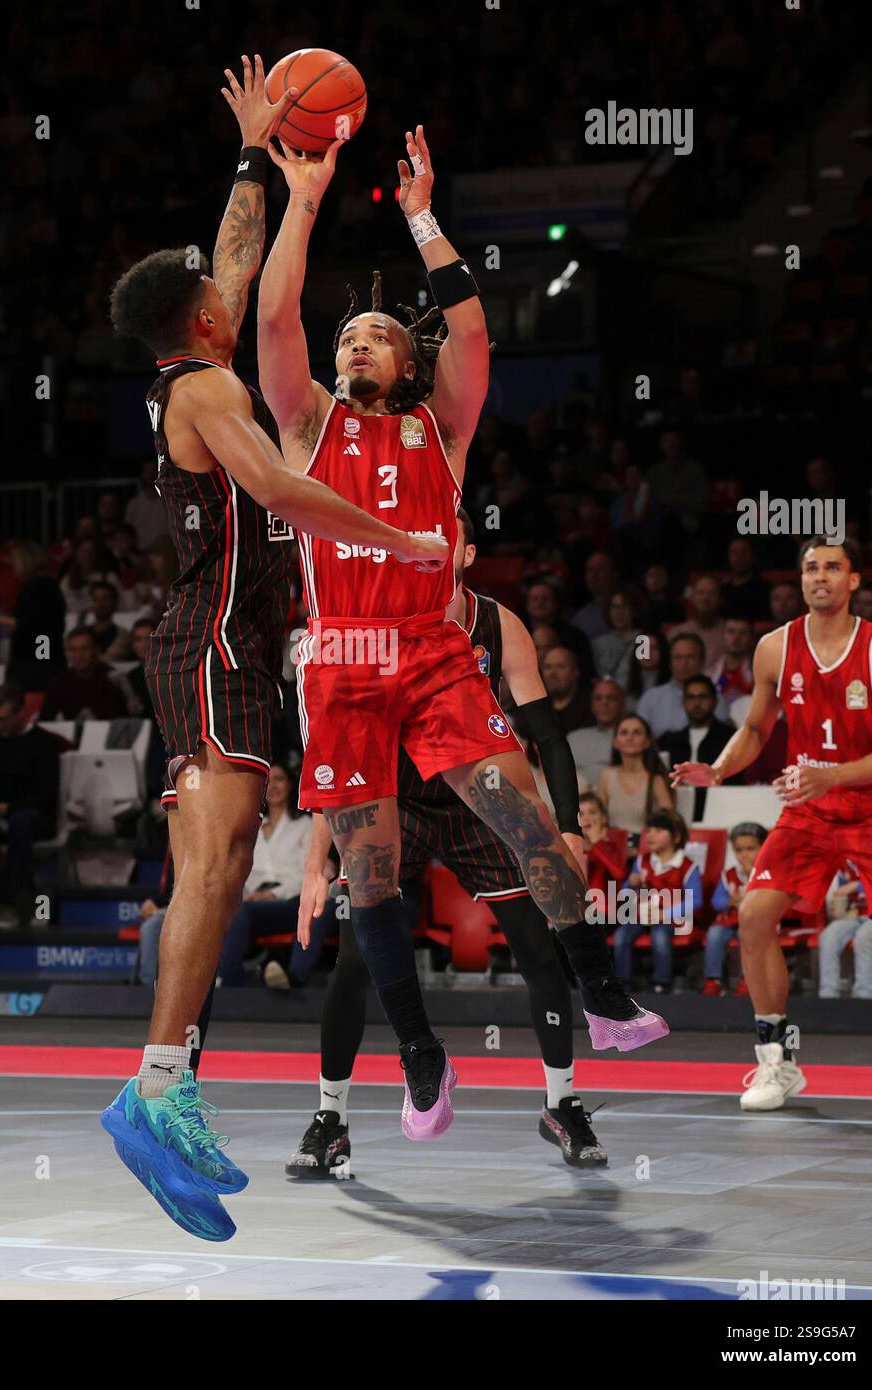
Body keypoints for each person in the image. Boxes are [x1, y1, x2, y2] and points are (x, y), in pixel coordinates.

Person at [258, 121, 665, 1151]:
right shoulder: (304, 425)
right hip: (342, 660)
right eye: (345, 333)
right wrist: (301, 201)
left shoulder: (439, 425)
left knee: (522, 813)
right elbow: (270, 318)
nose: (354, 341)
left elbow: (473, 331)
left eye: (375, 334)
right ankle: (417, 1050)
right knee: (372, 877)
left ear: (406, 360)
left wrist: (422, 217)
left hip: (431, 653)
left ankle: (603, 993)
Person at [98, 58, 445, 1244]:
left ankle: (160, 1085)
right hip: (211, 642)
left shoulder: (195, 359)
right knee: (213, 865)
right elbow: (287, 494)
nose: (223, 281)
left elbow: (232, 254)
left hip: (235, 647)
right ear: (198, 322)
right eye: (212, 288)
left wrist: (264, 159)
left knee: (228, 854)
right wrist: (397, 534)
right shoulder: (203, 395)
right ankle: (154, 1090)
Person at [287, 513, 610, 1179]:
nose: (429, 550)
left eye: (444, 538)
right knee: (355, 959)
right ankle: (330, 1118)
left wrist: (568, 826)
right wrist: (318, 856)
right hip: (391, 800)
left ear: (464, 551)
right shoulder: (371, 625)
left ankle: (561, 1103)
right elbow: (339, 750)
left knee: (537, 942)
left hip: (474, 799)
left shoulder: (499, 624)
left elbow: (547, 735)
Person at [674, 538, 872, 1111]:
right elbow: (755, 728)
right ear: (800, 580)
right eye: (810, 568)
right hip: (810, 810)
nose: (819, 577)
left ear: (853, 581)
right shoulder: (774, 648)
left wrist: (834, 776)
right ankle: (776, 1061)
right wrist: (720, 769)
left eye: (832, 567)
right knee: (753, 916)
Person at [215, 763, 318, 989]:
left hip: (292, 901)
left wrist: (272, 893)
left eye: (279, 779)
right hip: (254, 904)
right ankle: (234, 977)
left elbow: (309, 873)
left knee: (242, 912)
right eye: (268, 781)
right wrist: (250, 894)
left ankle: (225, 977)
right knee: (224, 908)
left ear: (290, 785)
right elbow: (241, 872)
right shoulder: (252, 829)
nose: (273, 786)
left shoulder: (305, 825)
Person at [0, 682, 61, 918]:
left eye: (3, 719)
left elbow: (46, 794)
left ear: (20, 712)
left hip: (35, 815)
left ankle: (17, 893)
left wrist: (8, 808)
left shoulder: (43, 743)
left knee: (21, 821)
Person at [613, 809, 701, 993]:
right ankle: (624, 983)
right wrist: (631, 883)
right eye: (649, 830)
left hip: (667, 918)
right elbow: (625, 894)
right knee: (621, 936)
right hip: (641, 915)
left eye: (659, 830)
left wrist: (665, 914)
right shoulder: (641, 861)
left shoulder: (687, 867)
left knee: (660, 938)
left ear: (676, 837)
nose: (651, 835)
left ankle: (661, 983)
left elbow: (695, 901)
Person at [0, 539, 67, 694]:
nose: (13, 566)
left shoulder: (39, 586)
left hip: (38, 660)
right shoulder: (46, 585)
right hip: (42, 654)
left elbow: (29, 625)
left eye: (15, 561)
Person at [657, 674, 737, 820]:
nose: (697, 703)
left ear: (714, 701)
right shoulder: (668, 741)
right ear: (683, 702)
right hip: (676, 810)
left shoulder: (731, 738)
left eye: (703, 697)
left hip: (721, 808)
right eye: (691, 697)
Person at [816, 864, 872, 1000]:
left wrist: (857, 886)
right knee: (828, 936)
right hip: (857, 915)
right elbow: (838, 892)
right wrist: (836, 905)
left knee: (864, 937)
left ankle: (864, 997)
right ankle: (828, 996)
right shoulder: (845, 861)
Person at [701, 822, 766, 996]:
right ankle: (712, 980)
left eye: (750, 849)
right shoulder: (728, 875)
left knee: (750, 935)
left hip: (756, 922)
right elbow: (716, 902)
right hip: (730, 920)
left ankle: (748, 979)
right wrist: (730, 901)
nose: (744, 855)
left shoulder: (767, 874)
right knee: (714, 933)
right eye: (739, 850)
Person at [637, 631, 730, 740]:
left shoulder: (716, 698)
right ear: (670, 662)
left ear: (702, 660)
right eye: (678, 657)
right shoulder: (650, 699)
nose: (684, 664)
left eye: (691, 657)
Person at [596, 714, 675, 841]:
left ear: (647, 742)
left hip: (646, 847)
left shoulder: (656, 780)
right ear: (615, 742)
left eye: (637, 733)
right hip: (611, 846)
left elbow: (669, 823)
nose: (630, 737)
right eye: (624, 732)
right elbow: (597, 819)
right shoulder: (607, 776)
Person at [40, 627, 127, 721]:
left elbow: (120, 721)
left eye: (85, 649)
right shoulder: (60, 681)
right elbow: (45, 719)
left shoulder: (112, 678)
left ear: (96, 650)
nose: (78, 656)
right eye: (73, 650)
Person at [568, 678, 625, 787]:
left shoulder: (630, 739)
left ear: (622, 704)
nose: (605, 703)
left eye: (611, 698)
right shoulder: (574, 738)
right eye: (598, 698)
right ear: (592, 705)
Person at [591, 591, 641, 687]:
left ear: (634, 610)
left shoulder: (644, 640)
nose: (619, 612)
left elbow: (648, 674)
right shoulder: (598, 643)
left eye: (625, 606)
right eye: (614, 607)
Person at [541, 645, 594, 734]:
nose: (552, 673)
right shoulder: (537, 707)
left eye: (560, 666)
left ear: (576, 672)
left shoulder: (591, 706)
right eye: (547, 667)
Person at [84, 580, 131, 661]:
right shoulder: (82, 633)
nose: (100, 604)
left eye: (105, 599)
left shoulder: (123, 636)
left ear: (114, 602)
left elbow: (106, 661)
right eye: (95, 599)